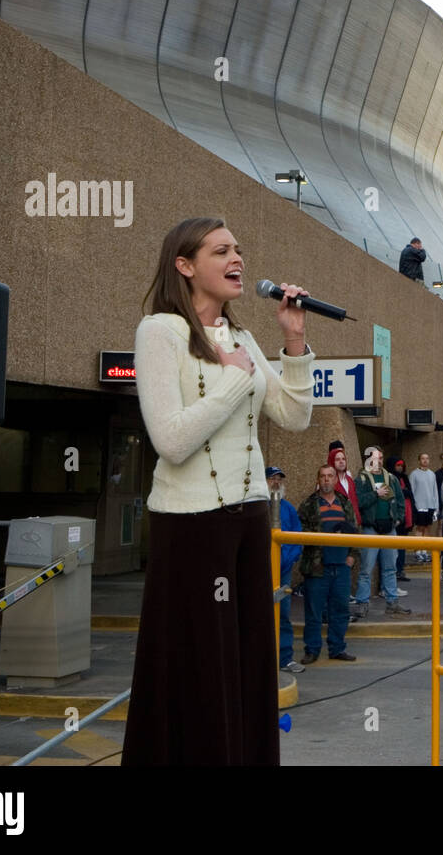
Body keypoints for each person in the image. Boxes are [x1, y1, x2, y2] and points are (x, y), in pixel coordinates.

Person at [124, 216, 314, 765]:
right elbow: (171, 440)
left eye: (238, 249)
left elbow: (294, 416)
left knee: (247, 661)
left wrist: (293, 340)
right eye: (222, 250)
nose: (238, 259)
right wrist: (232, 379)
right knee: (198, 666)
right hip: (190, 525)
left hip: (249, 518)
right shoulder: (159, 331)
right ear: (184, 265)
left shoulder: (243, 338)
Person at [296, 464, 361, 663]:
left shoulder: (344, 502)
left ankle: (337, 648)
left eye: (330, 476)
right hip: (317, 567)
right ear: (318, 479)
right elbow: (298, 531)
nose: (326, 479)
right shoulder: (309, 504)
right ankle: (312, 650)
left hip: (341, 566)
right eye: (323, 476)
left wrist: (352, 555)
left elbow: (354, 530)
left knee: (340, 610)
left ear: (335, 479)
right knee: (314, 611)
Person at [356, 446, 409, 617]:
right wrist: (375, 493)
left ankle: (392, 602)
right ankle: (362, 603)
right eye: (374, 458)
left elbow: (400, 500)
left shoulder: (391, 478)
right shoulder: (362, 479)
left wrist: (398, 518)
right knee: (366, 569)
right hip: (370, 528)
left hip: (389, 528)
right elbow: (358, 502)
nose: (377, 461)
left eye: (380, 457)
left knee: (390, 568)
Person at [267, 467, 306, 672]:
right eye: (272, 478)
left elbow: (296, 536)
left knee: (283, 614)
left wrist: (288, 560)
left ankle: (285, 658)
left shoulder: (288, 508)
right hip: (260, 570)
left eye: (279, 479)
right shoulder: (257, 507)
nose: (276, 482)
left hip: (283, 571)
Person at [386, 455, 414, 580]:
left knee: (402, 545)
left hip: (406, 514)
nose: (400, 468)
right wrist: (405, 492)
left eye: (402, 465)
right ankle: (395, 570)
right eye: (398, 465)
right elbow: (395, 494)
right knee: (394, 546)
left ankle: (400, 570)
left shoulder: (404, 478)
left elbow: (410, 494)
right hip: (396, 516)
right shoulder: (390, 478)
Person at [409, 453, 440, 558]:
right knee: (419, 528)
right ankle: (417, 551)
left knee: (427, 528)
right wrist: (414, 506)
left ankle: (424, 551)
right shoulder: (414, 474)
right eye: (423, 458)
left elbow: (435, 491)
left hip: (430, 505)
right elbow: (411, 491)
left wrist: (436, 507)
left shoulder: (432, 474)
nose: (425, 460)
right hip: (419, 506)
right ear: (419, 460)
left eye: (427, 458)